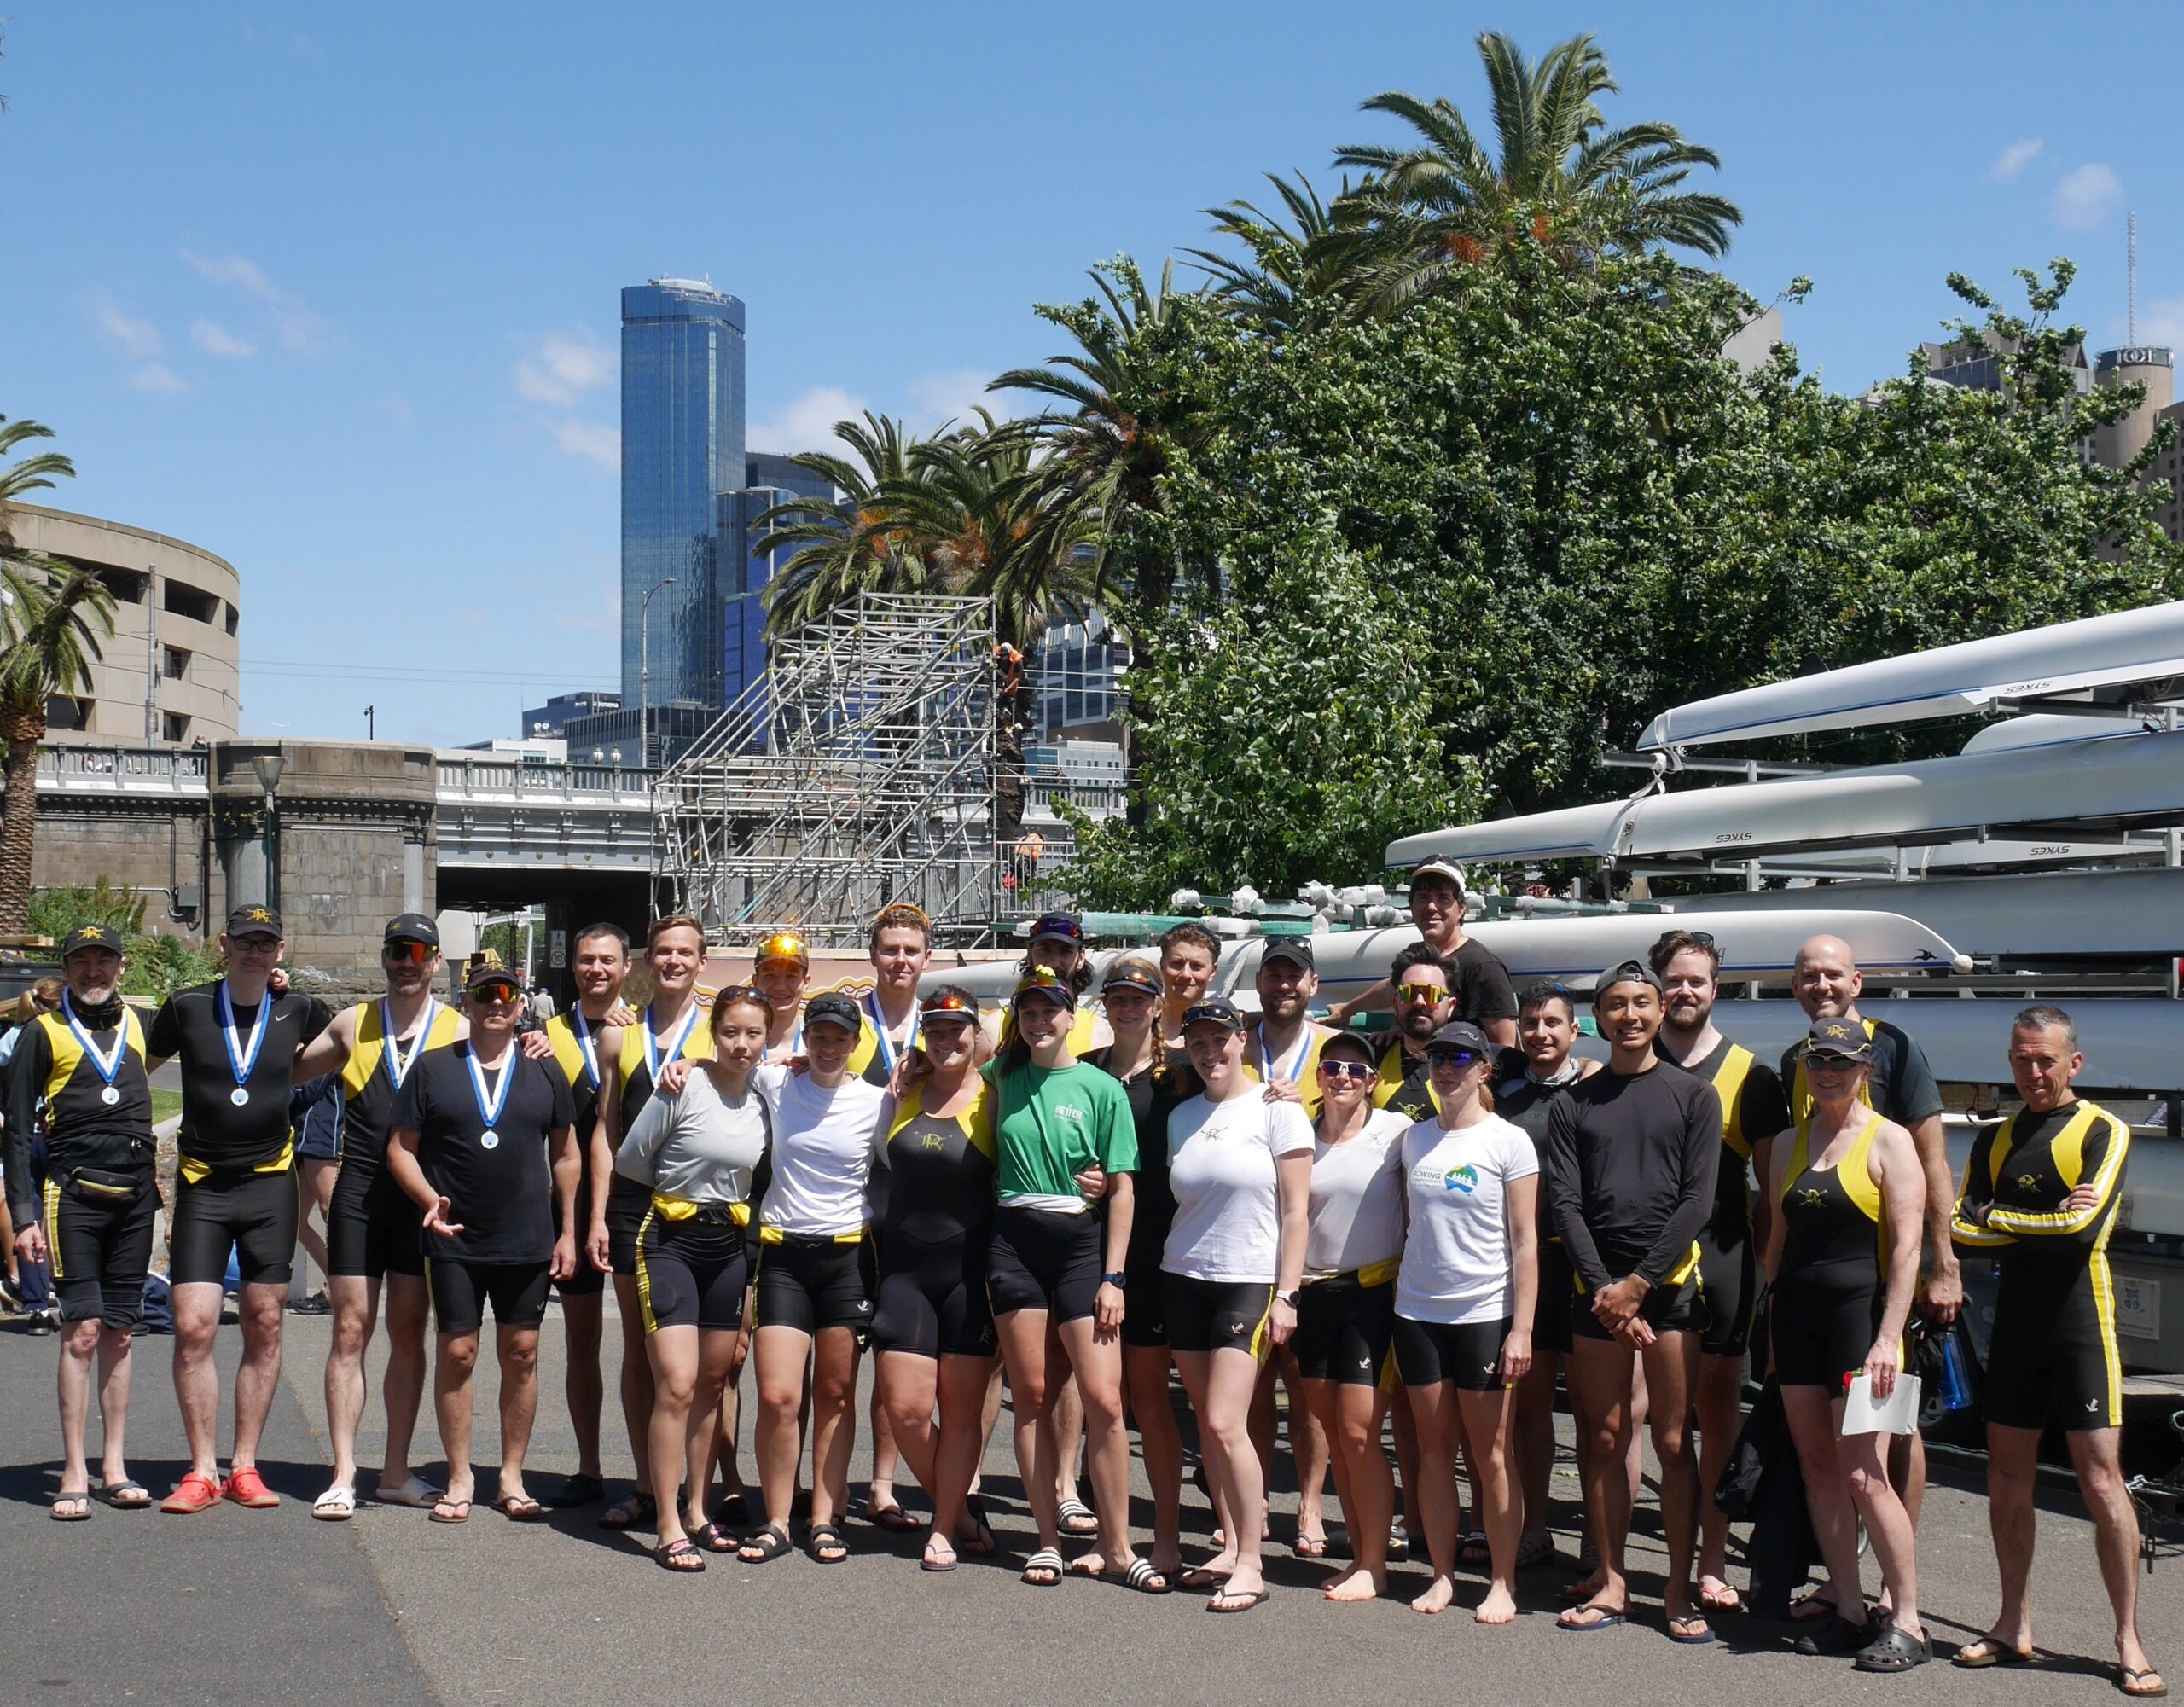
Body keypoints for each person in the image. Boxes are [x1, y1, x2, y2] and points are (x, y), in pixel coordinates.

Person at [1951, 1005, 2162, 1697]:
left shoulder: (2103, 1129)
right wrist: (2018, 1221)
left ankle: (2128, 1638)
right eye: (2021, 1058)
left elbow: (2082, 1226)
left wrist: (1998, 1218)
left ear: (2074, 1062)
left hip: (2081, 1326)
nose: (2033, 1071)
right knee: (2006, 1478)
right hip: (2016, 1326)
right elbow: (1959, 1230)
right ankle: (2012, 1622)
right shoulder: (1995, 1139)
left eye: (2046, 1059)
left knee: (2102, 1482)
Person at [1543, 958, 1720, 1643]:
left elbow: (1697, 1200)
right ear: (1599, 1017)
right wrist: (1605, 1290)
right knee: (1607, 1436)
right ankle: (1612, 1579)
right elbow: (1565, 1202)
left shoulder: (1694, 1095)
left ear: (1659, 1011)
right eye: (1616, 1004)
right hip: (1596, 1292)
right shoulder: (1573, 1103)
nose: (1630, 1015)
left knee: (1673, 1440)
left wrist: (1639, 1285)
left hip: (1668, 1288)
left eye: (1642, 1002)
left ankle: (1676, 1587)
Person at [145, 904, 333, 1514]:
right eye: (245, 942)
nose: (255, 952)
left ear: (280, 950)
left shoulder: (299, 1007)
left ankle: (245, 1464)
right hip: (204, 1183)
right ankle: (202, 1469)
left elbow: (358, 1044)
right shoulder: (187, 1006)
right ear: (223, 945)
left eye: (265, 943)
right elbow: (134, 1070)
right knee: (194, 1324)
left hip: (269, 1185)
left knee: (265, 1321)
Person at [1783, 933, 1959, 1552]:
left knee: (1894, 1434)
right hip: (1823, 1282)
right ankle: (1844, 1581)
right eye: (1810, 976)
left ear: (1857, 982)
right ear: (1795, 986)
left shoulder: (1894, 1048)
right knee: (1839, 1453)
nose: (1822, 986)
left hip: (1886, 1280)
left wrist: (1945, 1263)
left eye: (1834, 974)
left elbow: (1934, 1160)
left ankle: (1893, 1583)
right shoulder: (1797, 1059)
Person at [386, 961, 579, 1524]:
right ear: (465, 1004)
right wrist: (429, 1200)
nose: (496, 1002)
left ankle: (512, 1476)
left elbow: (567, 1154)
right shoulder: (432, 1068)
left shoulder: (545, 1068)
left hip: (527, 1237)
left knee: (521, 1353)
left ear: (521, 1005)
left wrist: (568, 1229)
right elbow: (400, 1148)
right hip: (455, 1236)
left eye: (506, 994)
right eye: (484, 994)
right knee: (458, 1352)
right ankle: (460, 1475)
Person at [1763, 1019, 1928, 1671]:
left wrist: (1889, 1338)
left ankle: (1908, 1620)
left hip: (1863, 1327)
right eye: (1817, 1060)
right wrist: (1768, 1327)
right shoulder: (1787, 1142)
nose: (1827, 1071)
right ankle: (1851, 1609)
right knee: (1817, 1466)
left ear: (1865, 1069)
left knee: (1865, 1472)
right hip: (1796, 1321)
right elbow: (1776, 1244)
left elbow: (1908, 1249)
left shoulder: (1891, 1140)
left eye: (1840, 1061)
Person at [985, 969, 1151, 1592]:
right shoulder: (1001, 1074)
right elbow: (951, 1060)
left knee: (1104, 1399)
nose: (1038, 1022)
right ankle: (1047, 1542)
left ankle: (1118, 1546)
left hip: (1081, 1244)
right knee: (1030, 1395)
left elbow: (1123, 1187)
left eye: (1049, 1011)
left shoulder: (1102, 1088)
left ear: (1071, 1016)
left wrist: (1114, 1277)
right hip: (1014, 1240)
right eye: (1027, 1012)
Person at [298, 913, 464, 1518]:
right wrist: (278, 1006)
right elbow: (287, 1070)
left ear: (436, 961)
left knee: (408, 1333)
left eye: (418, 952)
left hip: (420, 1200)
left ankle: (394, 1471)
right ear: (385, 956)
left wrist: (536, 1043)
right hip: (360, 1194)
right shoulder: (352, 1023)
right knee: (349, 1329)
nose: (406, 962)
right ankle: (344, 1474)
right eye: (397, 950)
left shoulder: (459, 1028)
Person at [1650, 928, 1792, 1612]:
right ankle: (1608, 1553)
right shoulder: (1631, 1057)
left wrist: (1765, 1276)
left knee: (1716, 1414)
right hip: (1644, 1264)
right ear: (1657, 985)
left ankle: (1711, 1558)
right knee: (1642, 1417)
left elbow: (1769, 1193)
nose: (1685, 991)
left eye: (1696, 980)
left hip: (1724, 1261)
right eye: (1674, 979)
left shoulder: (1752, 1076)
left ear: (1716, 988)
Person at [1163, 994, 1313, 1613]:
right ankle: (1228, 1544)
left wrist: (1288, 1293)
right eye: (1197, 1042)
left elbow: (1297, 1211)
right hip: (1183, 1275)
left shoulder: (1278, 1108)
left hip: (1248, 1279)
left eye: (1219, 1039)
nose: (1209, 1052)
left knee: (1228, 1421)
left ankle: (1252, 1559)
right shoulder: (1182, 1115)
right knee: (1207, 1422)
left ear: (1242, 1039)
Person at [616, 985, 773, 1571]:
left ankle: (698, 1510)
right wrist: (682, 1183)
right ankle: (665, 1523)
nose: (741, 1044)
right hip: (670, 1239)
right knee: (677, 1384)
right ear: (714, 1033)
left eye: (753, 1033)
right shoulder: (681, 1084)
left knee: (712, 1384)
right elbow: (631, 1159)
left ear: (767, 1038)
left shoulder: (767, 1094)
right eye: (730, 1032)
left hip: (728, 1245)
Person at [4, 926, 158, 1518]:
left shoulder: (140, 1024)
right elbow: (16, 1133)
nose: (94, 971)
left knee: (121, 1332)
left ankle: (113, 1466)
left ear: (121, 965)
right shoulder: (41, 1033)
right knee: (82, 1332)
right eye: (82, 961)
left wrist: (276, 986)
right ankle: (73, 1470)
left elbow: (217, 1015)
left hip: (136, 1196)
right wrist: (23, 1217)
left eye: (104, 960)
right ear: (66, 969)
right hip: (72, 1196)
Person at [736, 991, 890, 1566]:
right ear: (805, 1037)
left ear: (855, 1043)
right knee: (778, 1396)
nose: (828, 1047)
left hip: (847, 1259)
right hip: (783, 1256)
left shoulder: (877, 1101)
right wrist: (687, 1064)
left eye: (839, 1038)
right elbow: (726, 1061)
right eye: (818, 1036)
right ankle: (777, 1519)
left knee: (834, 1394)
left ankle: (825, 1517)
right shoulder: (776, 1082)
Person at [1397, 1020, 1538, 1623]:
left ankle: (1502, 1581)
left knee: (1492, 1454)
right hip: (1418, 1311)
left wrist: (1522, 1328)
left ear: (1484, 1069)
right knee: (1433, 1452)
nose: (1446, 1068)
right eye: (1438, 1058)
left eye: (1460, 1058)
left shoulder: (1509, 1141)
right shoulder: (1413, 1139)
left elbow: (1526, 1241)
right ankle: (1442, 1574)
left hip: (1484, 1312)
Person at [869, 985, 1001, 1572]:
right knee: (906, 1410)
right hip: (904, 1274)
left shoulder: (996, 1096)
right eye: (935, 1030)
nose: (946, 1039)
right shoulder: (901, 1091)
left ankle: (944, 1524)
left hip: (968, 1278)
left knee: (962, 1414)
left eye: (957, 1029)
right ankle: (963, 1508)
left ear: (976, 1034)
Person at [589, 916, 713, 1532]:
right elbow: (605, 1131)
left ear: (702, 961)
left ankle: (701, 1493)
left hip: (706, 1206)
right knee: (641, 1351)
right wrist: (598, 1214)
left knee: (709, 1363)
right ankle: (645, 1483)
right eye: (663, 951)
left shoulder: (721, 1030)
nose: (673, 962)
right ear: (647, 960)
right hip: (636, 1207)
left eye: (685, 952)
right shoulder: (620, 1034)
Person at [1083, 956, 1197, 1584]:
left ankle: (1168, 1536)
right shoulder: (1086, 1069)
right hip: (1091, 1248)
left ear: (1157, 1005)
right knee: (1101, 1401)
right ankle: (1109, 1533)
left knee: (1150, 1400)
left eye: (1138, 998)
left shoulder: (1181, 1074)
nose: (1127, 1008)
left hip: (1159, 1251)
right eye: (1117, 998)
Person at [1292, 1027, 1409, 1601]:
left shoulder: (1396, 1132)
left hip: (1373, 1294)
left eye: (1356, 1070)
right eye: (1332, 1067)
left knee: (1360, 1431)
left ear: (1372, 1081)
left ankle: (1374, 1564)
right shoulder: (1298, 1135)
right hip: (1314, 1294)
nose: (1343, 1076)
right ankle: (1361, 1556)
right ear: (1318, 1076)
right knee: (1335, 1434)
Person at [1495, 981, 1600, 1570]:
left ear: (1574, 1030)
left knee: (1596, 1415)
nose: (1540, 1033)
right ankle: (1533, 1529)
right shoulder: (1503, 1097)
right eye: (1531, 1022)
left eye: (1552, 1022)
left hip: (1586, 1267)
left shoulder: (1598, 1088)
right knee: (1531, 1411)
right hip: (1527, 1268)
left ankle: (1598, 1535)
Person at [539, 922, 637, 1509]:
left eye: (606, 960)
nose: (596, 969)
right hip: (568, 1209)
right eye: (586, 959)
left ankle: (650, 1473)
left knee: (644, 1347)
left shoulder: (644, 1030)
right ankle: (589, 1465)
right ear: (572, 965)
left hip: (632, 1204)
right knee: (582, 1341)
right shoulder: (545, 1035)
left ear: (627, 967)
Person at [1241, 938, 1334, 1556]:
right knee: (1250, 1384)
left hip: (1315, 1236)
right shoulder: (1234, 1040)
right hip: (1246, 1236)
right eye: (1273, 974)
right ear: (1259, 982)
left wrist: (1316, 1107)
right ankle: (1253, 1503)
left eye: (1293, 976)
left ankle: (1310, 1502)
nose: (1283, 985)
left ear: (1312, 984)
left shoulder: (1336, 1050)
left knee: (1306, 1387)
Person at [848, 903, 932, 1530]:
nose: (900, 960)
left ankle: (888, 1483)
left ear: (927, 958)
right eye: (889, 949)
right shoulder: (845, 1022)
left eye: (911, 950)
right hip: (857, 1200)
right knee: (845, 1357)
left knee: (901, 1349)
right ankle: (836, 1486)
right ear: (873, 955)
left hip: (927, 1203)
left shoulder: (948, 1021)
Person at [1327, 858, 1518, 1049]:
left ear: (1461, 909)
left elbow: (1505, 1048)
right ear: (1412, 907)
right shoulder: (1420, 958)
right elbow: (1388, 989)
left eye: (1443, 898)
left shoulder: (1483, 967)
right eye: (1423, 898)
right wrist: (1347, 1010)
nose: (1431, 907)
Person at [0, 977, 66, 1333]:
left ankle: (37, 1305)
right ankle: (69, 1291)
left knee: (30, 1218)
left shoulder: (12, 1037)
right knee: (64, 1216)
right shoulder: (60, 1033)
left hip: (23, 1136)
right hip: (56, 1133)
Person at [1370, 942, 1455, 1122]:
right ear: (1395, 1005)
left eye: (1431, 993)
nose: (1420, 1002)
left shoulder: (1468, 1064)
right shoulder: (1372, 1056)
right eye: (1409, 993)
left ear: (1451, 1006)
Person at [288, 1071, 340, 1313]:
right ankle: (338, 1283)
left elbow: (307, 1087)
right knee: (295, 1219)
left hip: (324, 1134)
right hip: (307, 1135)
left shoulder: (331, 1054)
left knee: (332, 1211)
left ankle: (344, 1287)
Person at [1155, 922, 1221, 1059]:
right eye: (1177, 964)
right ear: (1162, 965)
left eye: (1196, 966)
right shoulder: (1137, 1025)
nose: (1185, 974)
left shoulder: (1226, 1028)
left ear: (1213, 971)